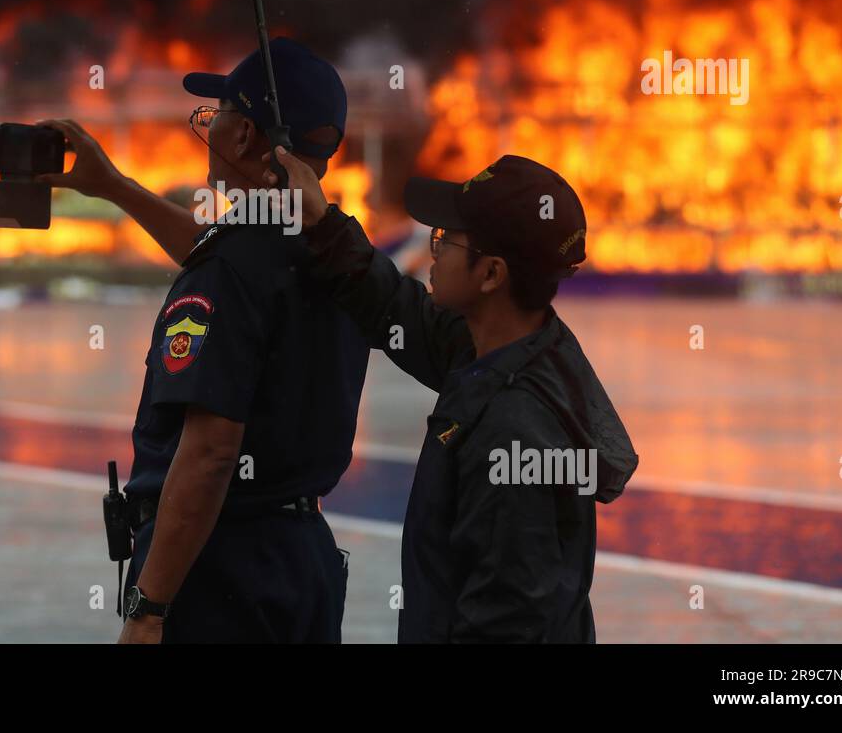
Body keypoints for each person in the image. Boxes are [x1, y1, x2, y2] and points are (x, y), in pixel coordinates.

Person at [37, 37, 370, 643]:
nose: (208, 128)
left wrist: (150, 608)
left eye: (216, 116)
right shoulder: (336, 252)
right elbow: (217, 252)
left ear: (243, 137)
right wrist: (112, 185)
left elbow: (212, 453)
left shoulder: (230, 271)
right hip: (302, 565)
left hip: (221, 573)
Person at [265, 148, 639, 643]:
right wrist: (323, 222)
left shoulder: (514, 434)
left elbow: (506, 624)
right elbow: (398, 310)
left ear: (490, 275)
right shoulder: (506, 349)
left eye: (445, 240)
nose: (433, 251)